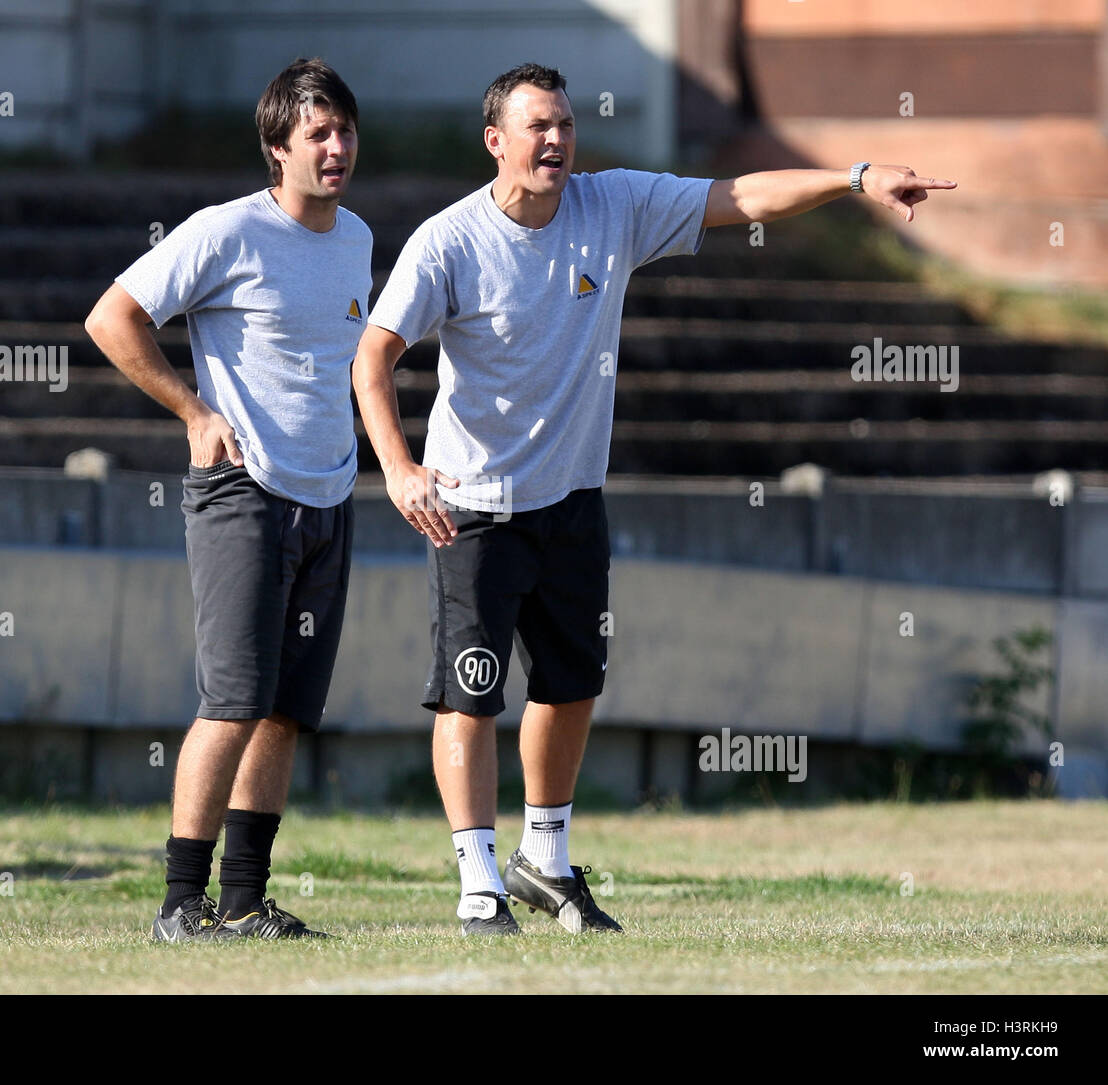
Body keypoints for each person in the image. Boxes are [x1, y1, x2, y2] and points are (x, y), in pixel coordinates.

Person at [353, 62, 955, 936]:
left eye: (564, 123)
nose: (556, 139)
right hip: (472, 503)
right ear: (496, 142)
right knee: (469, 695)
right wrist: (401, 469)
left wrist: (854, 177)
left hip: (571, 500)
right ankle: (477, 882)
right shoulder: (448, 242)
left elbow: (741, 195)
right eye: (536, 127)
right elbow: (373, 358)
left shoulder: (614, 205)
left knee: (570, 687)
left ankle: (544, 861)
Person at [84, 58, 371, 940]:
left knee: (284, 711)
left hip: (330, 498)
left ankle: (245, 899)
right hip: (242, 496)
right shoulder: (225, 232)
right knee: (233, 701)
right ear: (276, 147)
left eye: (345, 130)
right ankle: (180, 903)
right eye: (317, 133)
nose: (337, 147)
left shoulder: (357, 236)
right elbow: (111, 317)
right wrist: (193, 410)